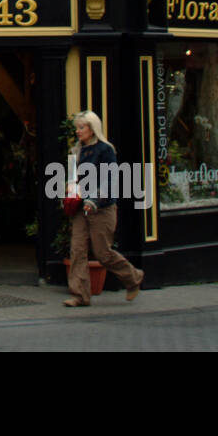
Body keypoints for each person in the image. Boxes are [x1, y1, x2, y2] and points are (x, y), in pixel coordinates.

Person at [64, 110, 145, 308]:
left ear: (92, 129)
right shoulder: (77, 150)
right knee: (77, 250)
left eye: (81, 127)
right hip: (80, 207)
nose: (78, 131)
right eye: (77, 127)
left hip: (101, 208)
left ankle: (133, 277)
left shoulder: (105, 150)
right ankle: (80, 295)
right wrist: (70, 187)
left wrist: (95, 200)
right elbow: (72, 177)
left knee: (103, 253)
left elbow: (111, 179)